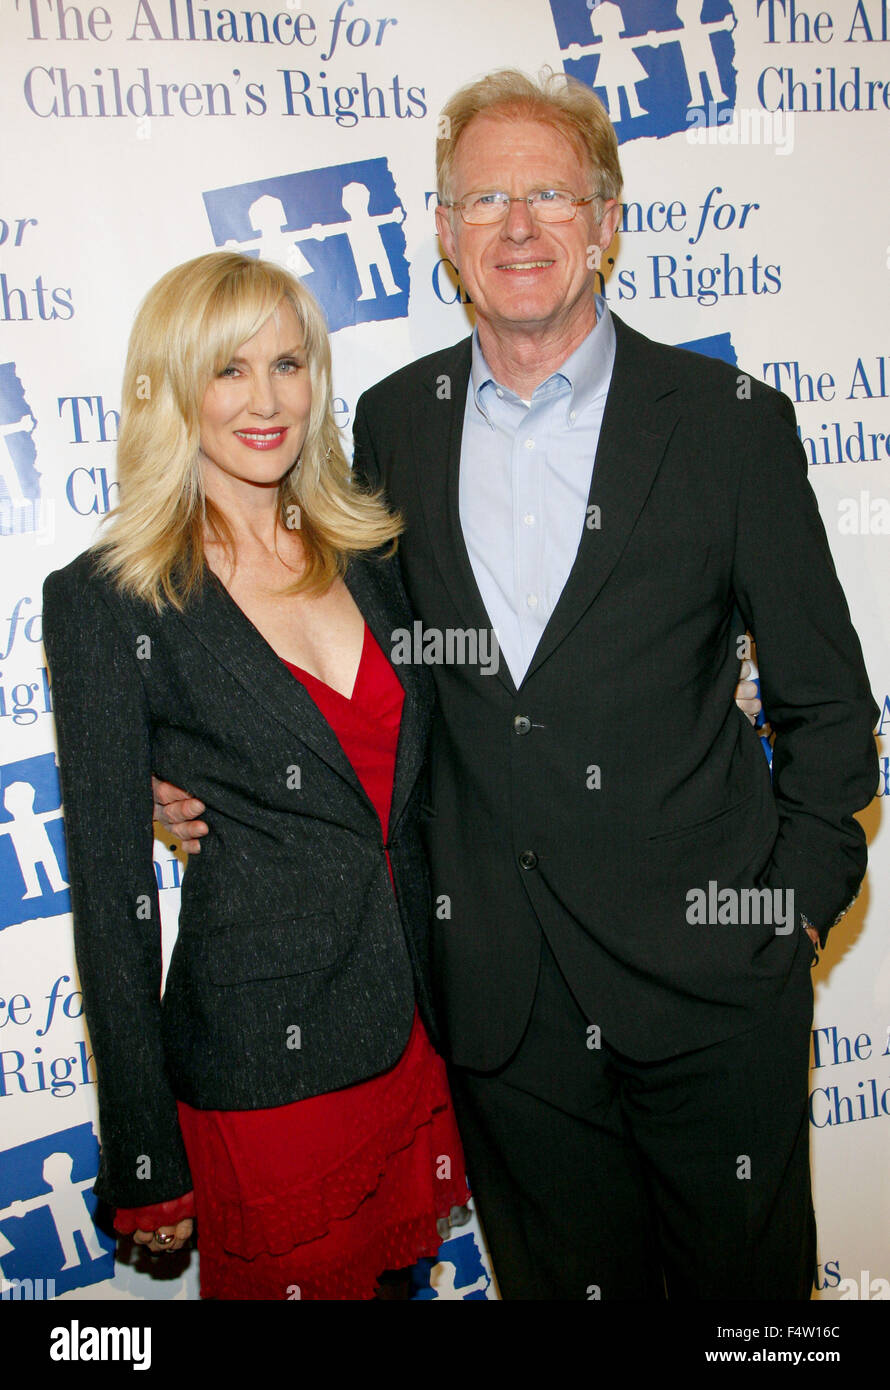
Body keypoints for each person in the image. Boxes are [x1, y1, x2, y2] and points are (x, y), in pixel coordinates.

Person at [155, 70, 878, 1300]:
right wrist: (187, 776)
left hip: (712, 989)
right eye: (482, 198)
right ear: (442, 236)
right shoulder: (389, 429)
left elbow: (826, 710)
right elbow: (338, 664)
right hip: (501, 1008)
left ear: (605, 220)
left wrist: (786, 913)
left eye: (549, 192)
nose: (517, 225)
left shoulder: (727, 423)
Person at [42, 251, 469, 1301]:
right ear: (172, 387)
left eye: (289, 364)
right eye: (228, 371)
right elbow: (109, 896)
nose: (268, 400)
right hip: (265, 1070)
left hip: (420, 1025)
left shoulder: (373, 549)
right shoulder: (110, 599)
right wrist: (141, 1143)